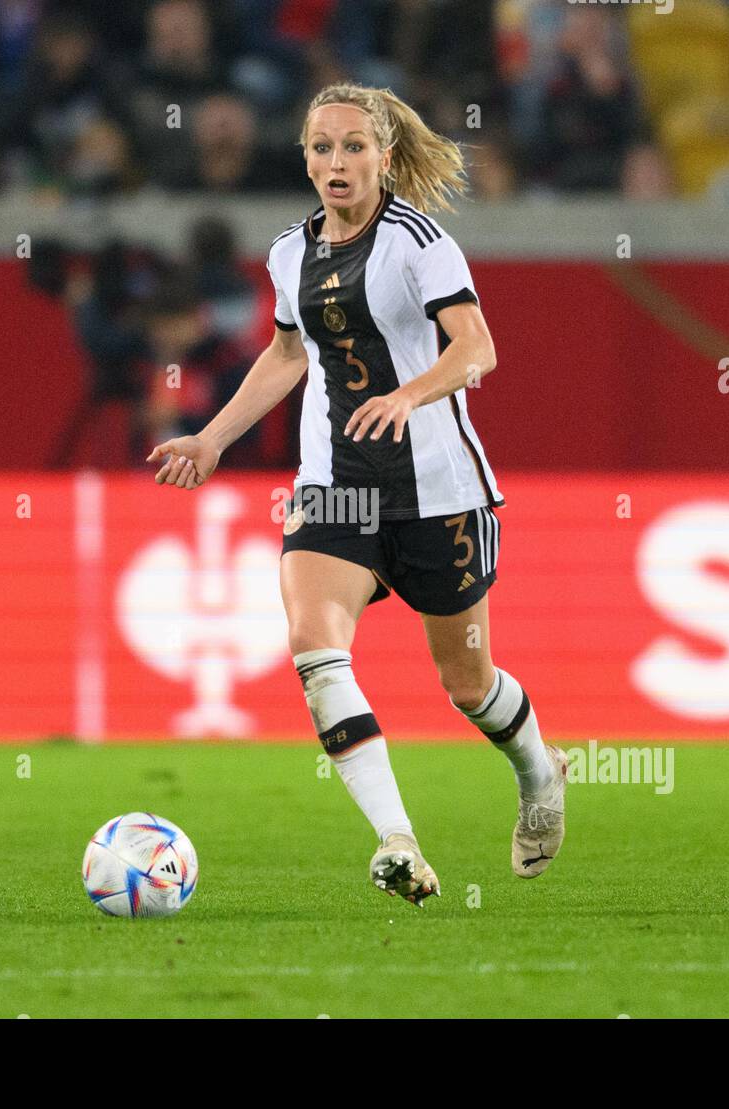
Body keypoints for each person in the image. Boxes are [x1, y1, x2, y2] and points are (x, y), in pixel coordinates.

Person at [147, 83, 567, 907]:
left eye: (352, 146)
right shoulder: (288, 253)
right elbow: (286, 354)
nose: (335, 162)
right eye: (320, 147)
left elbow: (477, 349)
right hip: (334, 487)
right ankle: (397, 840)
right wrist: (212, 438)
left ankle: (538, 771)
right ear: (305, 159)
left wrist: (409, 395)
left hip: (436, 493)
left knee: (468, 683)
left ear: (383, 156)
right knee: (315, 646)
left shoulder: (421, 244)